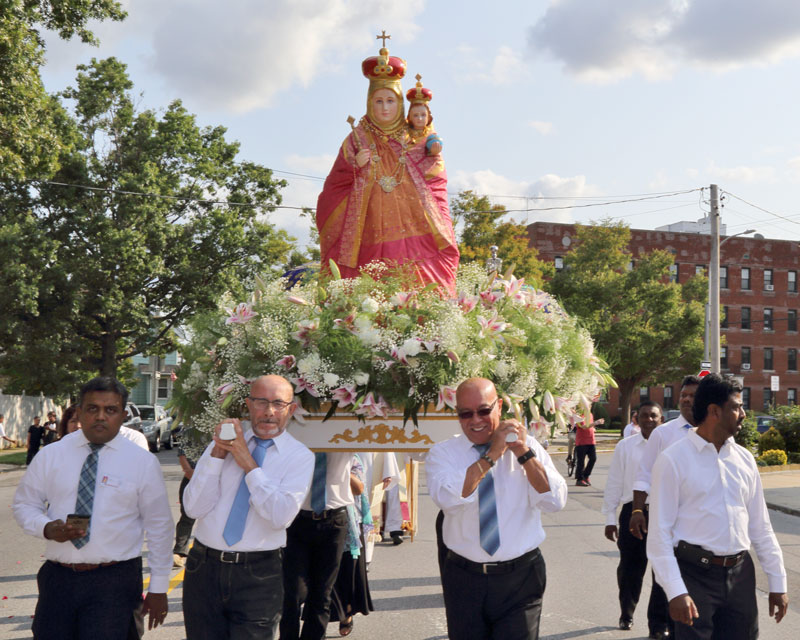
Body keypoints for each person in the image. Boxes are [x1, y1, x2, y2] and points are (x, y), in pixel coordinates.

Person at [12, 376, 174, 639]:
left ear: (123, 415)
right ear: (79, 412)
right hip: (58, 581)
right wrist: (46, 527)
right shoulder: (51, 455)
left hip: (115, 583)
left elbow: (159, 527)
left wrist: (158, 587)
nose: (100, 416)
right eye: (92, 409)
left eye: (110, 410)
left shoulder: (142, 462)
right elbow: (24, 504)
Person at [647, 374, 788, 639]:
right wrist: (676, 591)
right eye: (736, 407)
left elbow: (761, 527)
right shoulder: (673, 460)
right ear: (714, 411)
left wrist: (777, 582)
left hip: (740, 575)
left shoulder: (744, 459)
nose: (743, 414)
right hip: (693, 575)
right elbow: (658, 535)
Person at [426, 377, 567, 639]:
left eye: (483, 410)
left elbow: (554, 500)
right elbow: (449, 497)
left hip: (521, 579)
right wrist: (492, 454)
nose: (475, 420)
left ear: (499, 406)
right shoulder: (443, 454)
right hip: (464, 579)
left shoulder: (528, 447)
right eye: (465, 413)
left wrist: (523, 452)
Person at [316, 39, 459, 296]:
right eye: (379, 101)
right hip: (368, 231)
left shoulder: (415, 135)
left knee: (419, 290)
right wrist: (354, 166)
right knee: (370, 292)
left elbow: (436, 176)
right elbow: (333, 188)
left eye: (390, 101)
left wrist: (433, 153)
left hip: (416, 229)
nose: (384, 108)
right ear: (369, 102)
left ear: (400, 103)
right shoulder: (356, 138)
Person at [182, 375, 314, 640]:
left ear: (291, 409)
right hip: (204, 568)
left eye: (278, 404)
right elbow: (193, 509)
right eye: (261, 402)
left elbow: (280, 517)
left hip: (259, 575)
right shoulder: (223, 442)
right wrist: (217, 457)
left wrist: (248, 463)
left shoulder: (300, 456)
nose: (269, 411)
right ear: (248, 404)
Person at [602, 400, 671, 637]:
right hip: (633, 512)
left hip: (663, 513)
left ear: (662, 419)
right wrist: (610, 517)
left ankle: (659, 625)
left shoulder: (672, 446)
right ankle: (627, 613)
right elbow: (614, 481)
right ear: (637, 419)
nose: (649, 420)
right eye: (644, 415)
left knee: (662, 570)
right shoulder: (626, 446)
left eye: (653, 415)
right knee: (630, 569)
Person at [280, 448, 354, 640]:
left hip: (334, 520)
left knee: (322, 593)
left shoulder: (345, 435)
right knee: (293, 592)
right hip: (297, 519)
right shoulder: (297, 434)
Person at [630, 376, 700, 539]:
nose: (686, 399)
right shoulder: (662, 434)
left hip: (704, 522)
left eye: (693, 396)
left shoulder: (715, 435)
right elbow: (644, 474)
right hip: (670, 523)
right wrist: (637, 510)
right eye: (683, 395)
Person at [325, 453, 374, 636]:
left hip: (347, 520)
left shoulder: (351, 458)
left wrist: (341, 468)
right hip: (317, 517)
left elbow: (359, 488)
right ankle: (320, 619)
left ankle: (346, 612)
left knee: (347, 571)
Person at [406, 74, 442, 156]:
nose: (420, 118)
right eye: (415, 115)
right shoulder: (404, 135)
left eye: (423, 115)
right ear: (410, 118)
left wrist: (434, 151)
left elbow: (437, 161)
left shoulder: (432, 137)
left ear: (428, 117)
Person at [172, 445, 196, 568]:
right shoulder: (189, 434)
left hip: (215, 479)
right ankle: (179, 553)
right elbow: (182, 455)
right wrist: (189, 472)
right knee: (187, 516)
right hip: (191, 478)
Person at [574, 414, 597, 486]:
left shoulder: (590, 414)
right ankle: (579, 479)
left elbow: (590, 425)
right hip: (582, 442)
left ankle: (585, 476)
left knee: (593, 458)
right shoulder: (579, 415)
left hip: (591, 441)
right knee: (581, 462)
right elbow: (584, 426)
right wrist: (595, 423)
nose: (589, 408)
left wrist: (593, 428)